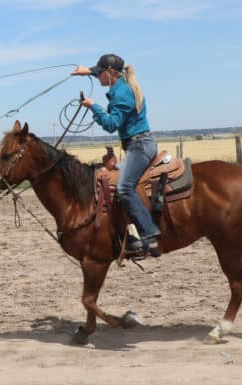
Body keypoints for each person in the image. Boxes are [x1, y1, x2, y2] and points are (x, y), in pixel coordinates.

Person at [72, 53, 160, 257]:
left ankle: (149, 232)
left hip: (139, 146)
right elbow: (101, 73)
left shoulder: (122, 95)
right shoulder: (122, 86)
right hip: (138, 144)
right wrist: (88, 71)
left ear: (111, 73)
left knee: (124, 187)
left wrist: (93, 106)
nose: (98, 77)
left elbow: (111, 124)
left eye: (100, 73)